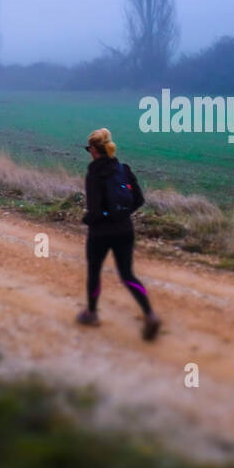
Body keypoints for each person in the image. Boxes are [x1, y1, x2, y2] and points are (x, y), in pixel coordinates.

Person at [77, 127, 161, 341]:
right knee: (127, 275)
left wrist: (87, 219)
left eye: (89, 148)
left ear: (95, 150)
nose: (89, 152)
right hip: (125, 229)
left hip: (100, 233)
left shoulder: (93, 174)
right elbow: (139, 200)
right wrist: (121, 215)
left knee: (94, 272)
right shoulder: (124, 169)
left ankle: (92, 314)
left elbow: (94, 211)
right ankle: (150, 314)